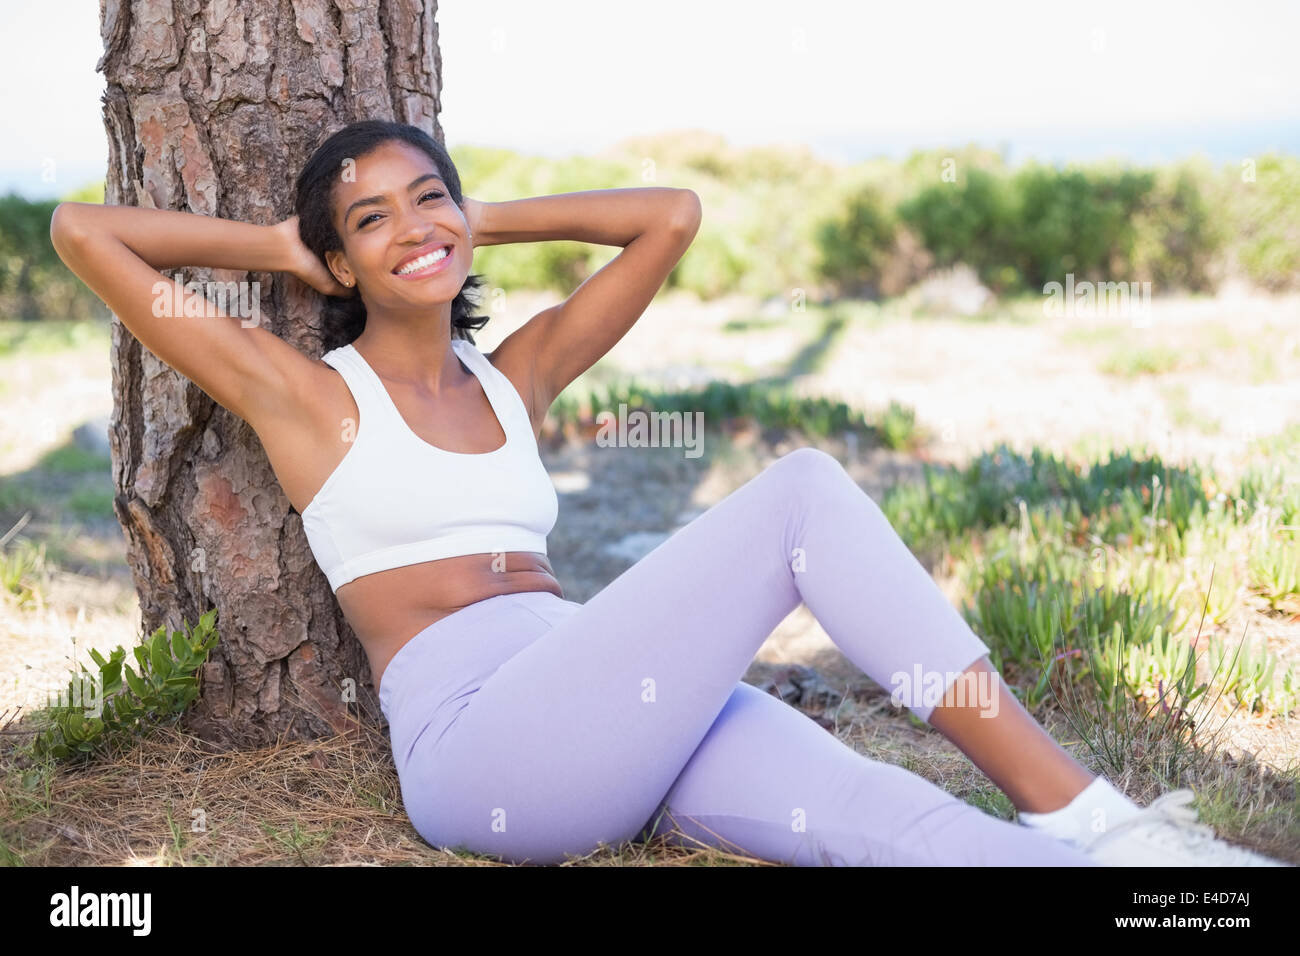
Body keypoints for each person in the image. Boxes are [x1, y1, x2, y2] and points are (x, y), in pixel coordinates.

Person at [49, 120, 1284, 867]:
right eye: (369, 221)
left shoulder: (511, 373)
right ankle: (1087, 809)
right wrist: (289, 244)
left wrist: (457, 221)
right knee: (797, 497)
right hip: (489, 743)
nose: (412, 227)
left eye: (430, 194)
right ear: (336, 259)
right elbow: (83, 233)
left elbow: (668, 218)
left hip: (610, 701)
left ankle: (1169, 879)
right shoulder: (304, 393)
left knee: (891, 820)